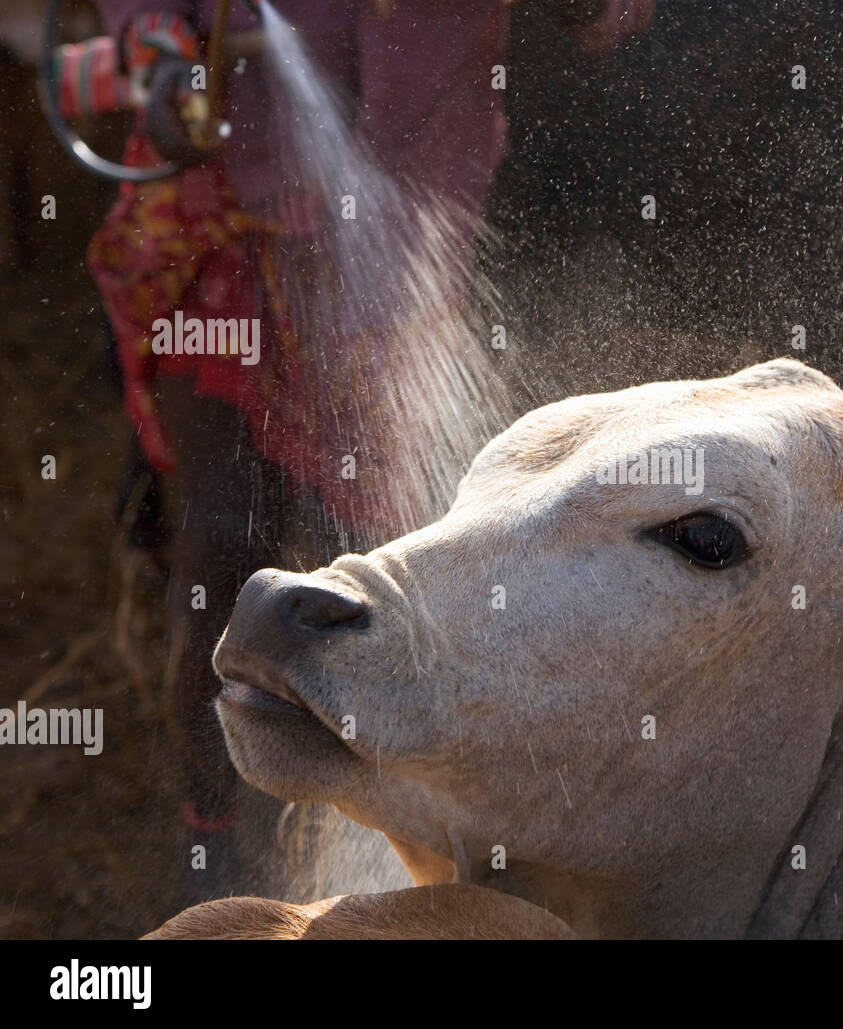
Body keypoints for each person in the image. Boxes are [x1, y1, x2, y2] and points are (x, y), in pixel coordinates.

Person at [86, 0, 653, 904]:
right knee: (224, 546)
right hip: (226, 200)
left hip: (404, 222)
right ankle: (214, 864)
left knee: (400, 565)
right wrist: (157, 47)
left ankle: (422, 864)